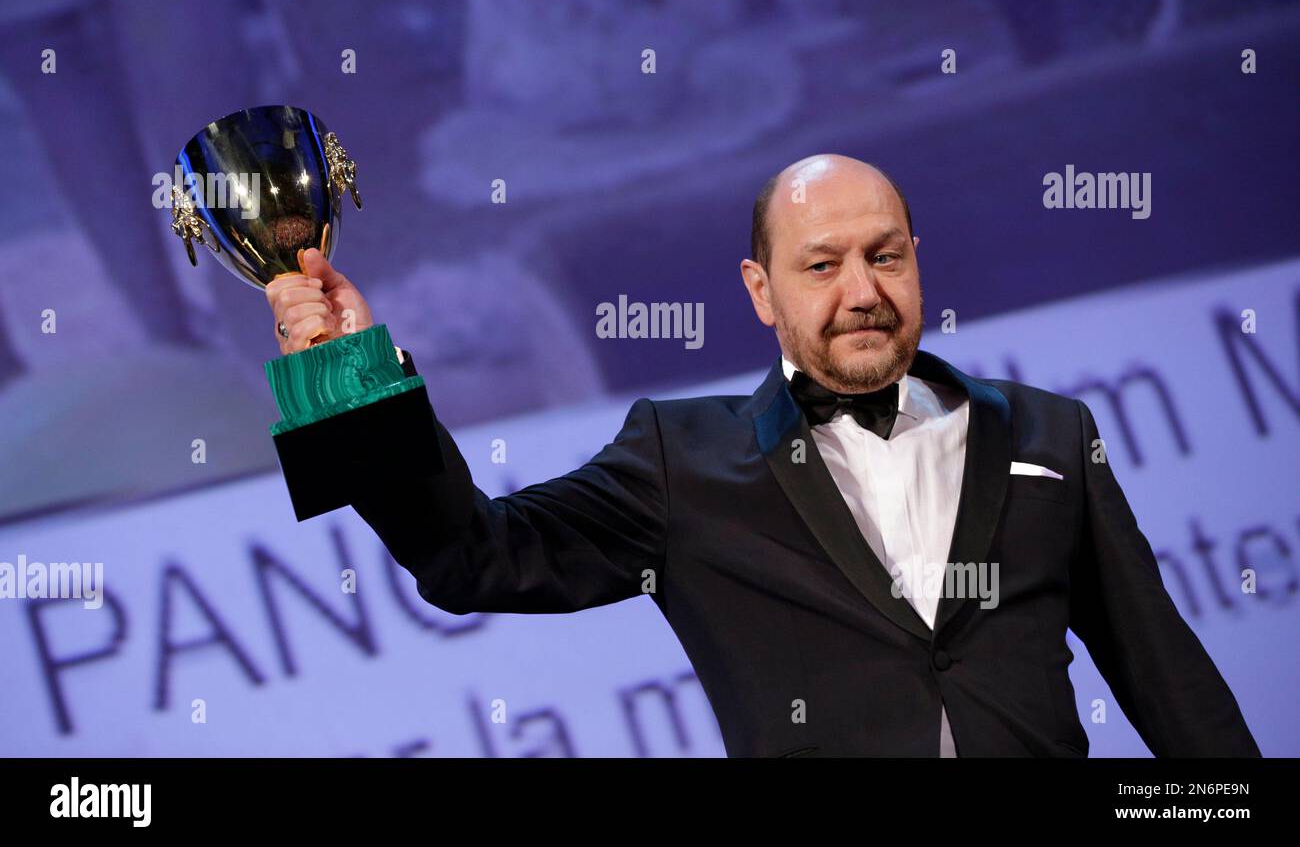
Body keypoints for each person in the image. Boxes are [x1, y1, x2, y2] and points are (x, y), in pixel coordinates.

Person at [265, 154, 1259, 757]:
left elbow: (1169, 682)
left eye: (885, 253)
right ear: (760, 291)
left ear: (917, 259)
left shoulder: (1050, 433)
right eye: (820, 265)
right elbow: (471, 556)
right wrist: (354, 380)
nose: (861, 289)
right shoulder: (681, 457)